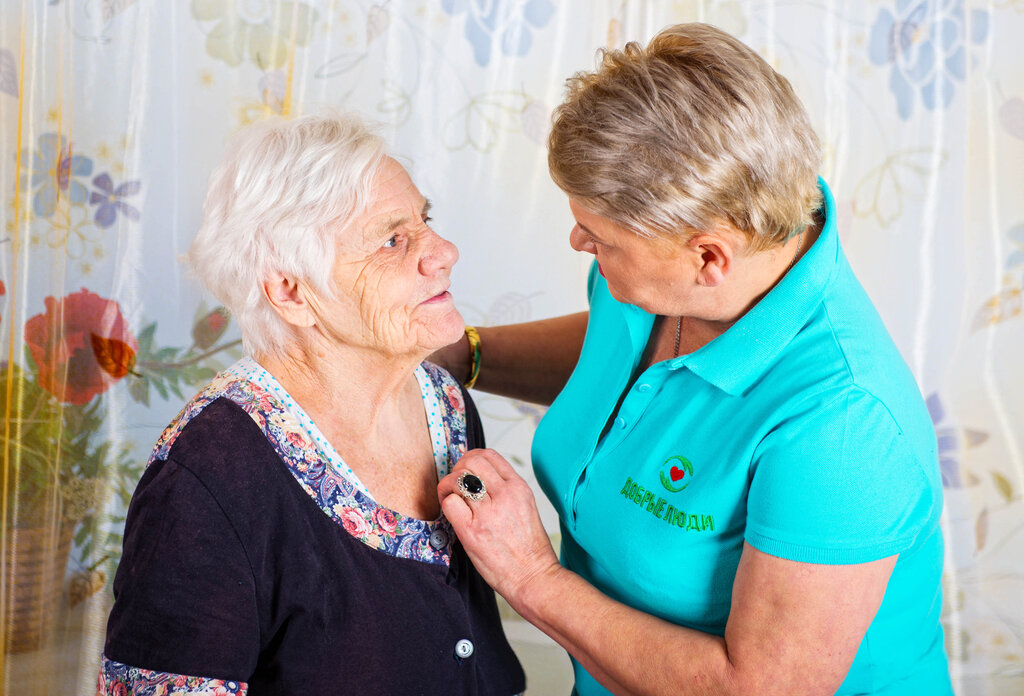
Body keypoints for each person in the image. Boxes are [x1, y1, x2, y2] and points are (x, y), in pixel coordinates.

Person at [434, 23, 952, 696]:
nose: (576, 240)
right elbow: (615, 364)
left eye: (600, 237)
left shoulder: (844, 428)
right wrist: (465, 355)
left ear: (710, 257)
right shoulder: (665, 281)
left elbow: (755, 688)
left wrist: (529, 577)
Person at [98, 113, 525, 695]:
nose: (444, 251)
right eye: (392, 239)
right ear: (292, 293)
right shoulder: (210, 477)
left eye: (425, 221)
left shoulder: (445, 403)